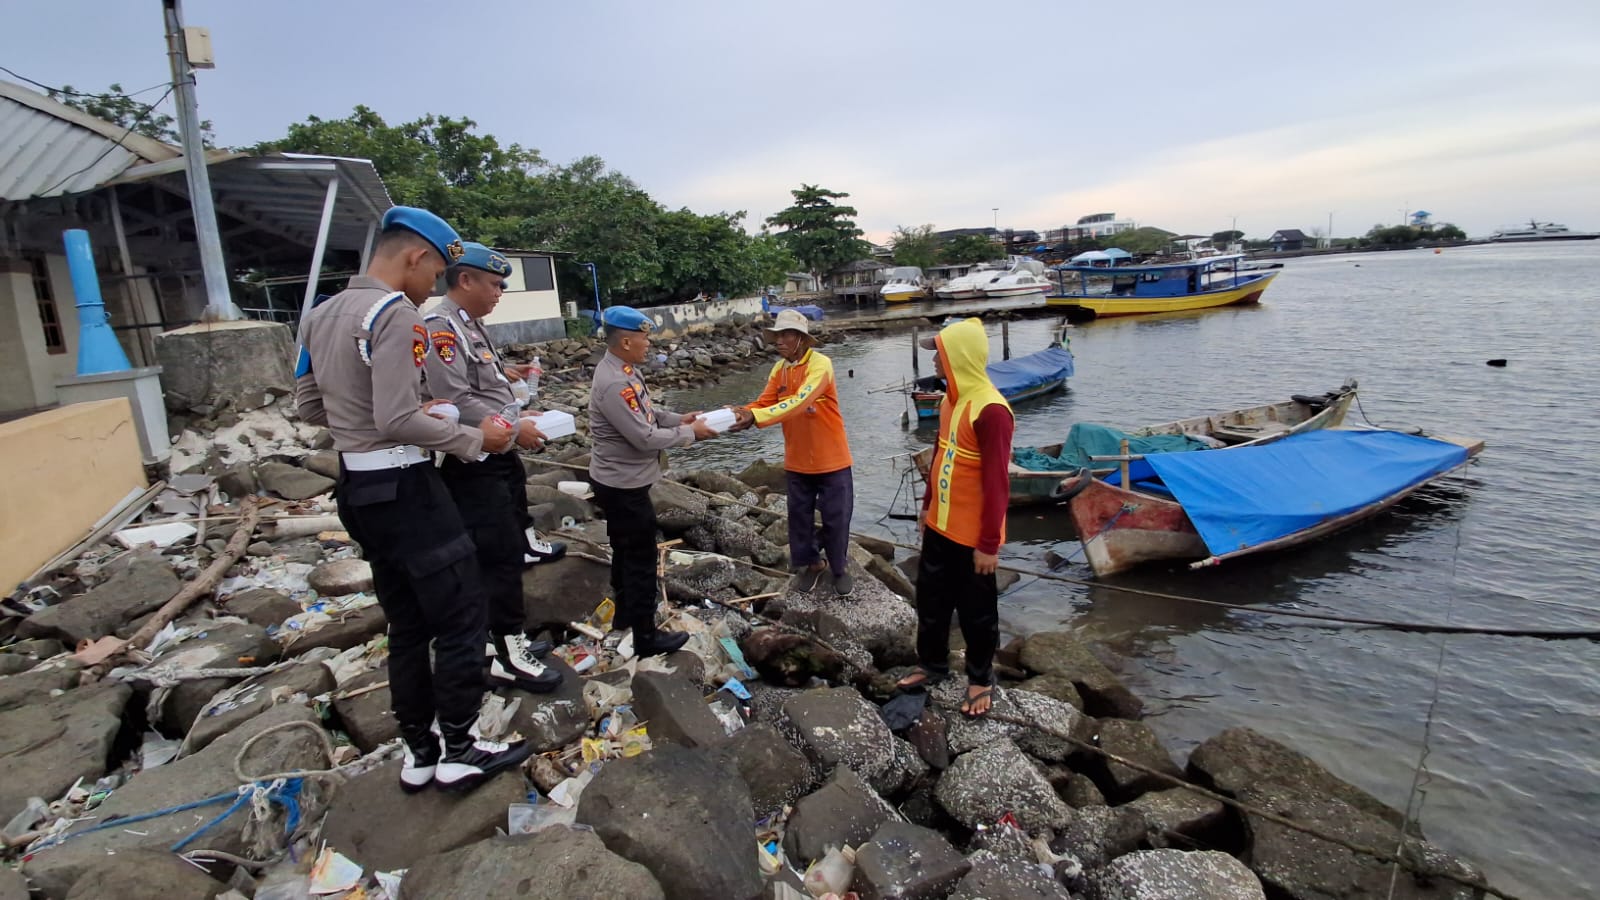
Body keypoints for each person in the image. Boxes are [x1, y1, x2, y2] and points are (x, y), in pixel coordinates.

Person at [295, 207, 530, 793]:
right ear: (416, 257)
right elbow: (397, 416)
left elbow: (309, 407)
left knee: (406, 623)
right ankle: (461, 746)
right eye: (436, 274)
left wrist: (369, 424)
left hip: (358, 486)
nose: (433, 289)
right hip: (407, 488)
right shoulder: (392, 312)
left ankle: (419, 751)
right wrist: (475, 439)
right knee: (460, 614)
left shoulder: (319, 314)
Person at [422, 242, 565, 695]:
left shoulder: (470, 326)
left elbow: (485, 382)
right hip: (472, 460)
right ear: (465, 281)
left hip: (496, 451)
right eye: (494, 284)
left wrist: (515, 405)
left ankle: (508, 636)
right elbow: (457, 401)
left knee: (507, 545)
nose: (500, 292)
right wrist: (513, 424)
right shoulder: (441, 328)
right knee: (499, 557)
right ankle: (507, 651)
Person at [894, 318, 1014, 718]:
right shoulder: (949, 401)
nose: (936, 361)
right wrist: (927, 505)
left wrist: (988, 544)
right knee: (931, 599)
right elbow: (941, 456)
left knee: (978, 612)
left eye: (940, 354)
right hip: (941, 526)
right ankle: (932, 664)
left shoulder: (992, 410)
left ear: (957, 357)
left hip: (973, 534)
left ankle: (980, 679)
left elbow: (998, 483)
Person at [587, 306, 719, 656]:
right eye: (645, 337)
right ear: (626, 340)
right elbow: (644, 437)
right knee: (641, 558)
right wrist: (691, 433)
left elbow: (649, 413)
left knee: (624, 551)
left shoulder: (624, 369)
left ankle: (625, 617)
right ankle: (646, 637)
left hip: (620, 480)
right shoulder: (615, 381)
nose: (649, 343)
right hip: (623, 485)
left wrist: (680, 418)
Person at [730, 308, 855, 595]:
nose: (778, 341)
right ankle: (813, 565)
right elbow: (763, 403)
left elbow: (799, 402)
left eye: (785, 335)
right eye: (776, 336)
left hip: (832, 460)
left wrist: (755, 418)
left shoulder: (820, 365)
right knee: (798, 518)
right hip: (797, 461)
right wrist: (741, 413)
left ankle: (839, 568)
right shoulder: (780, 370)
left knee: (837, 517)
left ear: (801, 339)